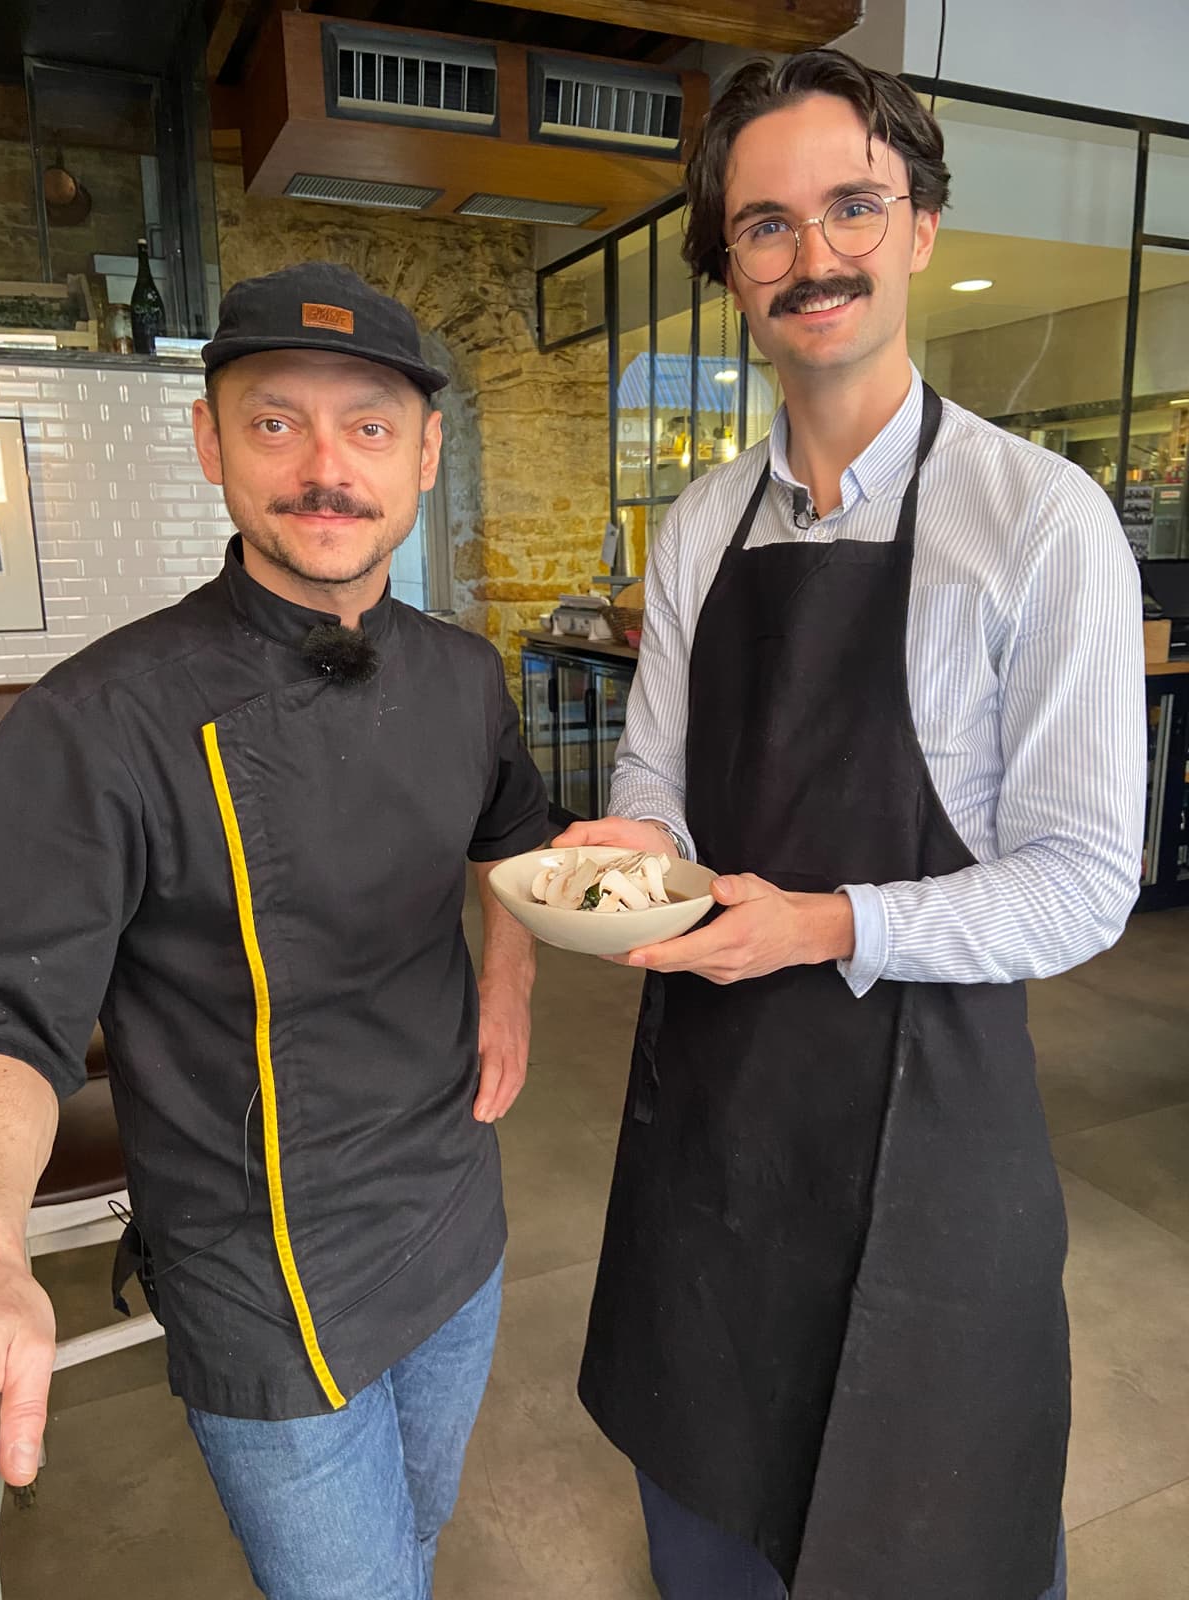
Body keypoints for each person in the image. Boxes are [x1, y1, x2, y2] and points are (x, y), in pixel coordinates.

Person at [557, 49, 1145, 1600]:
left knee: (933, 1527)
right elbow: (657, 775)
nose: (814, 255)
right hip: (715, 1124)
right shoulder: (699, 527)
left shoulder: (1039, 522)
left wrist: (828, 923)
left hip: (936, 1134)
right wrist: (625, 862)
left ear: (921, 228)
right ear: (730, 268)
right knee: (712, 1516)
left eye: (852, 207)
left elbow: (1087, 880)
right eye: (765, 224)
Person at [0, 262, 548, 1600]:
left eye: (367, 426)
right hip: (261, 1270)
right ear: (210, 444)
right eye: (275, 421)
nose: (324, 468)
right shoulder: (98, 718)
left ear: (421, 457)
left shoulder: (465, 674)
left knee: (413, 1540)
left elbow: (514, 839)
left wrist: (512, 980)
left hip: (453, 1216)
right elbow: (12, 1013)